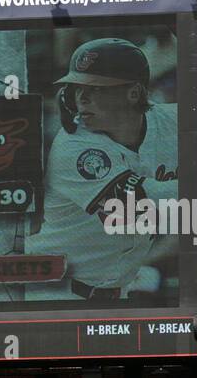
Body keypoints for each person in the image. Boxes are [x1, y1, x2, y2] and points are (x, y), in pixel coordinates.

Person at [27, 38, 180, 301]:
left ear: (133, 93)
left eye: (95, 88)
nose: (81, 98)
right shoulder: (73, 145)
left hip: (113, 295)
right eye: (76, 88)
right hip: (49, 293)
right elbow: (129, 209)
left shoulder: (172, 122)